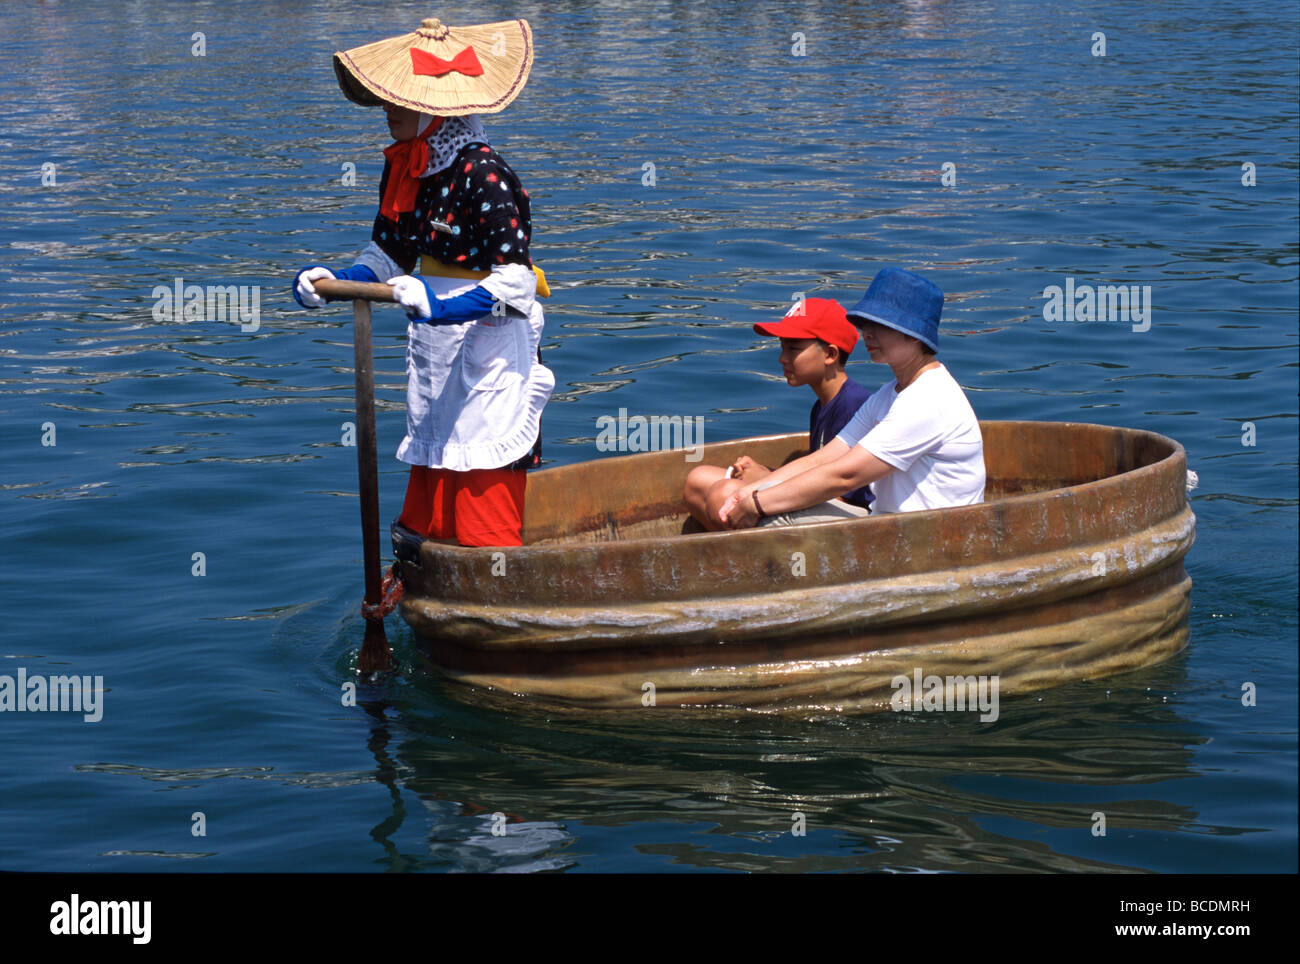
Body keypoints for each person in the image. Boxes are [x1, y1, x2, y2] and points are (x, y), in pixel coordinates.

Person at [291, 18, 554, 547]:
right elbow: (391, 252)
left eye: (400, 99)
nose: (386, 108)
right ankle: (425, 570)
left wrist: (440, 303)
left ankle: (491, 579)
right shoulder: (405, 166)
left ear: (437, 109)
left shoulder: (485, 174)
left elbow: (515, 287)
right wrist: (336, 280)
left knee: (481, 477)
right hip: (434, 343)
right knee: (432, 469)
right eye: (387, 97)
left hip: (490, 345)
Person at [719, 267, 984, 529]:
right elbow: (824, 458)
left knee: (774, 517)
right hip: (893, 527)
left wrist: (757, 504)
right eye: (864, 324)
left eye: (879, 325)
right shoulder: (890, 393)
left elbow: (845, 475)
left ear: (915, 336)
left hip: (932, 538)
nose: (866, 333)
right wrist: (746, 493)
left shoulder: (928, 400)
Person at [683, 298, 873, 530]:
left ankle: (746, 560)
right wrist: (764, 477)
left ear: (830, 354)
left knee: (724, 492)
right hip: (822, 497)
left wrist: (765, 481)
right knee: (698, 480)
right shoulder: (822, 406)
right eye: (782, 347)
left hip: (857, 518)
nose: (782, 358)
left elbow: (851, 493)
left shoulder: (854, 404)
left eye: (793, 348)